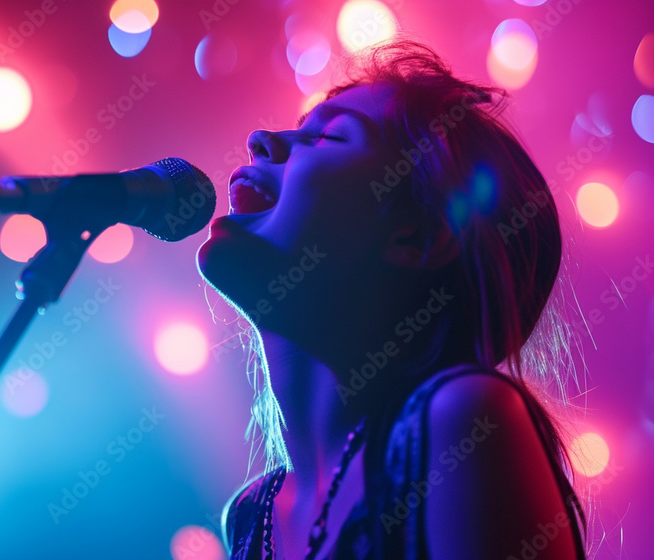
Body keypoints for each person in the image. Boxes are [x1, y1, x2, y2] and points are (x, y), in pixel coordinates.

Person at [196, 40, 587, 559]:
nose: (261, 140)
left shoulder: (464, 418)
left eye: (329, 137)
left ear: (415, 238)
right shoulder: (250, 516)